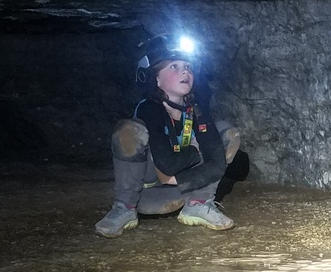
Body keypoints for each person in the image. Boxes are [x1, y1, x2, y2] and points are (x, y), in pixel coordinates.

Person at [95, 34, 241, 237]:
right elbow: (167, 165)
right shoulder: (149, 109)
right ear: (154, 78)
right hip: (144, 195)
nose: (185, 71)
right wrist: (195, 152)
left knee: (226, 132)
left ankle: (200, 203)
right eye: (173, 66)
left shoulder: (195, 110)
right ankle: (123, 208)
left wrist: (183, 176)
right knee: (129, 130)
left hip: (181, 190)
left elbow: (216, 163)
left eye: (188, 66)